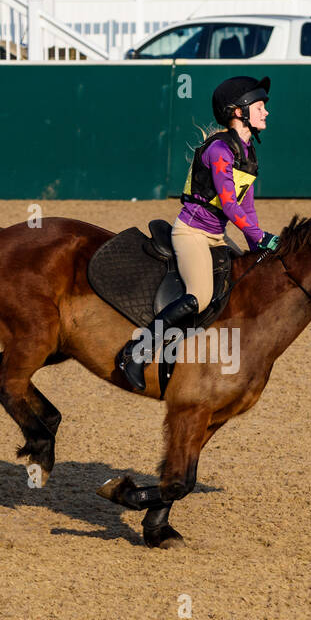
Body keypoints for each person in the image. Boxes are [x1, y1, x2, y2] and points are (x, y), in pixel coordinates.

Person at [115, 75, 278, 392]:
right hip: (191, 233)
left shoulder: (248, 154)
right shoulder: (220, 150)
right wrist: (261, 236)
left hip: (216, 236)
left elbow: (248, 208)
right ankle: (135, 353)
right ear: (239, 111)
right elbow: (230, 206)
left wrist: (256, 247)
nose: (266, 112)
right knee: (200, 297)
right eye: (260, 106)